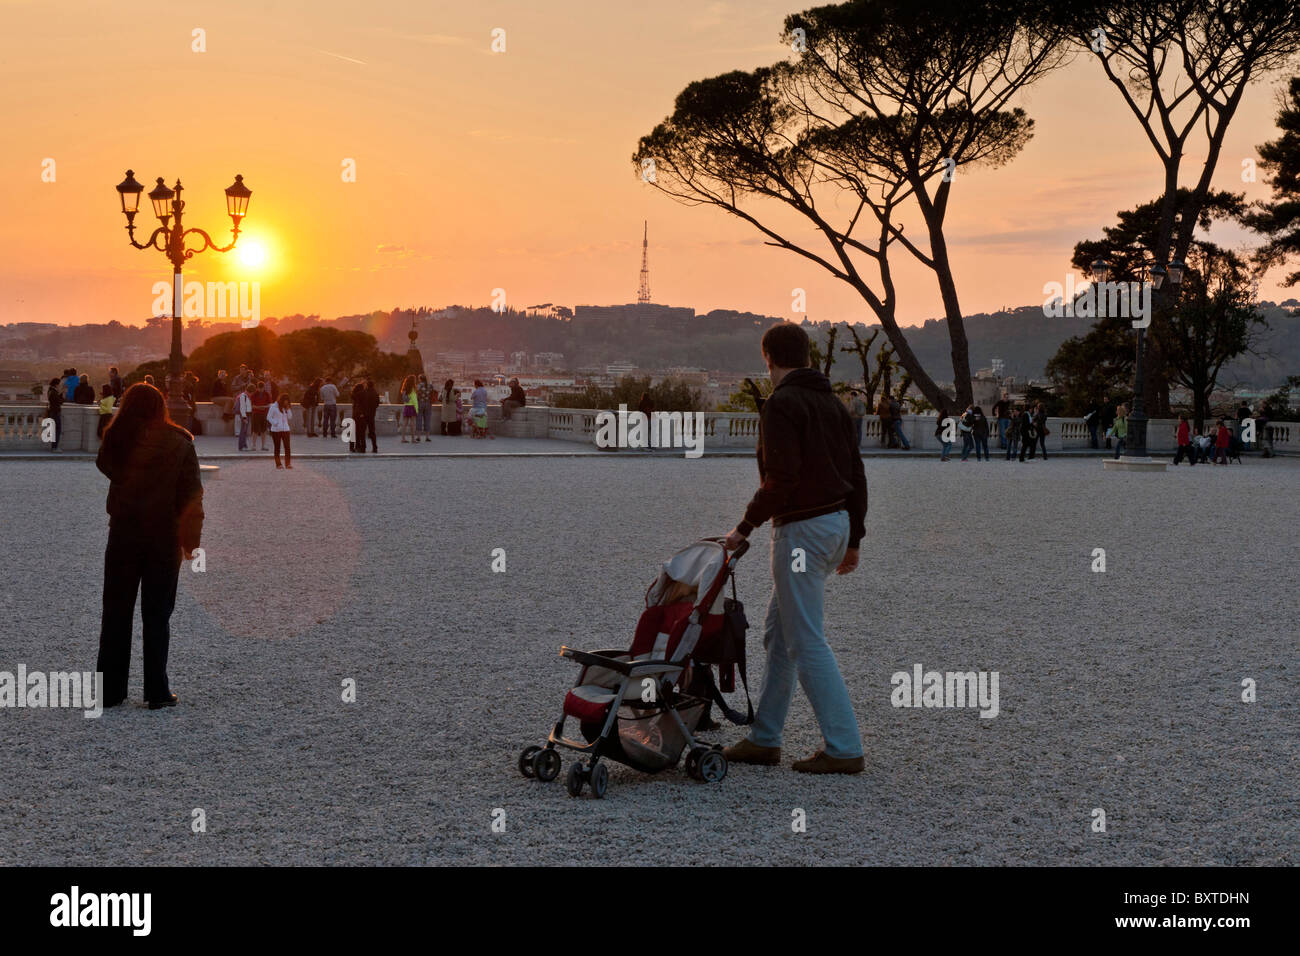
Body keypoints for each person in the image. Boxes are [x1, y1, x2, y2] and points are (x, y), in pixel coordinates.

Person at [721, 323, 867, 775]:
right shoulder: (832, 403)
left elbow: (780, 481)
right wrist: (855, 538)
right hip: (836, 524)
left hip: (803, 532)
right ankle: (765, 737)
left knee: (805, 638)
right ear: (806, 356)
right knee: (779, 632)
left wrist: (743, 527)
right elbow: (857, 474)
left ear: (768, 358)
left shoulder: (782, 404)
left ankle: (844, 747)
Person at [95, 382, 203, 709]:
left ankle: (110, 692)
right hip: (164, 538)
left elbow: (105, 466)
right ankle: (157, 691)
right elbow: (191, 499)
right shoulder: (180, 442)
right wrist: (191, 544)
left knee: (116, 612)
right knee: (157, 615)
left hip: (124, 534)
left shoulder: (118, 439)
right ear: (162, 406)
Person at [267, 393, 294, 469]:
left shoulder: (286, 408)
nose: (286, 403)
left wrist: (288, 409)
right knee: (277, 447)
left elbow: (290, 417)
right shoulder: (273, 407)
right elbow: (268, 417)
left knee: (287, 447)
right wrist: (275, 423)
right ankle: (278, 464)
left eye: (287, 402)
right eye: (285, 401)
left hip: (286, 429)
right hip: (276, 430)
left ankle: (288, 464)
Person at [250, 380, 272, 451]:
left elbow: (270, 404)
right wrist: (259, 407)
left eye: (262, 388)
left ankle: (263, 446)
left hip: (264, 414)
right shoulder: (254, 394)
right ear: (257, 388)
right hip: (256, 414)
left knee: (264, 430)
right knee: (255, 430)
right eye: (259, 388)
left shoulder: (267, 394)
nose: (261, 390)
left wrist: (264, 407)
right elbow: (251, 405)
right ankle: (253, 445)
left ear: (264, 387)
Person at [359, 379, 380, 453]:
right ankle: (375, 447)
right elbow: (377, 404)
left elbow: (360, 403)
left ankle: (363, 448)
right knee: (372, 432)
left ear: (367, 385)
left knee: (362, 432)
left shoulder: (364, 393)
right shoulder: (376, 393)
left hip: (364, 415)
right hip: (372, 415)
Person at [45, 377, 64, 452]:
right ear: (56, 384)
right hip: (55, 412)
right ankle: (54, 447)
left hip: (53, 412)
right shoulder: (53, 392)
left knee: (55, 429)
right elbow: (59, 401)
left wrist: (61, 393)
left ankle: (54, 447)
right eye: (59, 384)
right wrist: (62, 395)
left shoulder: (51, 391)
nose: (60, 386)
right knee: (57, 430)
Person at [234, 382, 253, 452]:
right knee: (243, 431)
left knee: (244, 431)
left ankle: (244, 445)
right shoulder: (243, 396)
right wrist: (244, 418)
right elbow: (242, 408)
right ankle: (241, 446)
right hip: (244, 415)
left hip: (246, 414)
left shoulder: (244, 396)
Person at [399, 375, 418, 443]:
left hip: (406, 406)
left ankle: (403, 438)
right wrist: (417, 409)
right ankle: (413, 439)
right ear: (413, 381)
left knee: (404, 423)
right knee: (412, 424)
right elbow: (415, 400)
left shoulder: (405, 388)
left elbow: (404, 398)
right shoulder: (413, 389)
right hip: (412, 407)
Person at [349, 381, 367, 452]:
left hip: (355, 414)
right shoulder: (362, 395)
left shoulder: (354, 395)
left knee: (353, 431)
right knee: (361, 431)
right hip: (361, 415)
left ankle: (352, 447)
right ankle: (359, 446)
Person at [416, 374, 434, 440]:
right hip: (428, 404)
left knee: (419, 420)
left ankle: (418, 437)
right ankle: (427, 437)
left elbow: (416, 395)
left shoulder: (418, 386)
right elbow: (432, 394)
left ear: (420, 379)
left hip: (420, 403)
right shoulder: (430, 386)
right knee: (427, 420)